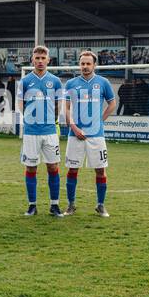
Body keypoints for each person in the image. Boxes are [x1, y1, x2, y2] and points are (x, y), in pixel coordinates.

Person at [63, 51, 116, 217]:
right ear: (79, 65)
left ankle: (100, 205)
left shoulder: (103, 82)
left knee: (100, 170)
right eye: (82, 63)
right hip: (75, 135)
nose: (85, 67)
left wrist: (99, 121)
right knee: (72, 170)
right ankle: (71, 205)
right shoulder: (71, 83)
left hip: (97, 136)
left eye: (88, 63)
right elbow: (66, 107)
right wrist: (74, 127)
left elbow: (112, 104)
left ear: (94, 65)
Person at [17, 45, 67, 217]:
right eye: (36, 58)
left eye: (42, 58)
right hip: (31, 131)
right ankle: (32, 205)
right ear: (32, 59)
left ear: (48, 60)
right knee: (31, 168)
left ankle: (54, 205)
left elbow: (59, 102)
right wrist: (28, 117)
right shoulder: (24, 81)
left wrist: (54, 118)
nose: (39, 61)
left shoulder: (55, 81)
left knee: (53, 167)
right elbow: (20, 103)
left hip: (50, 131)